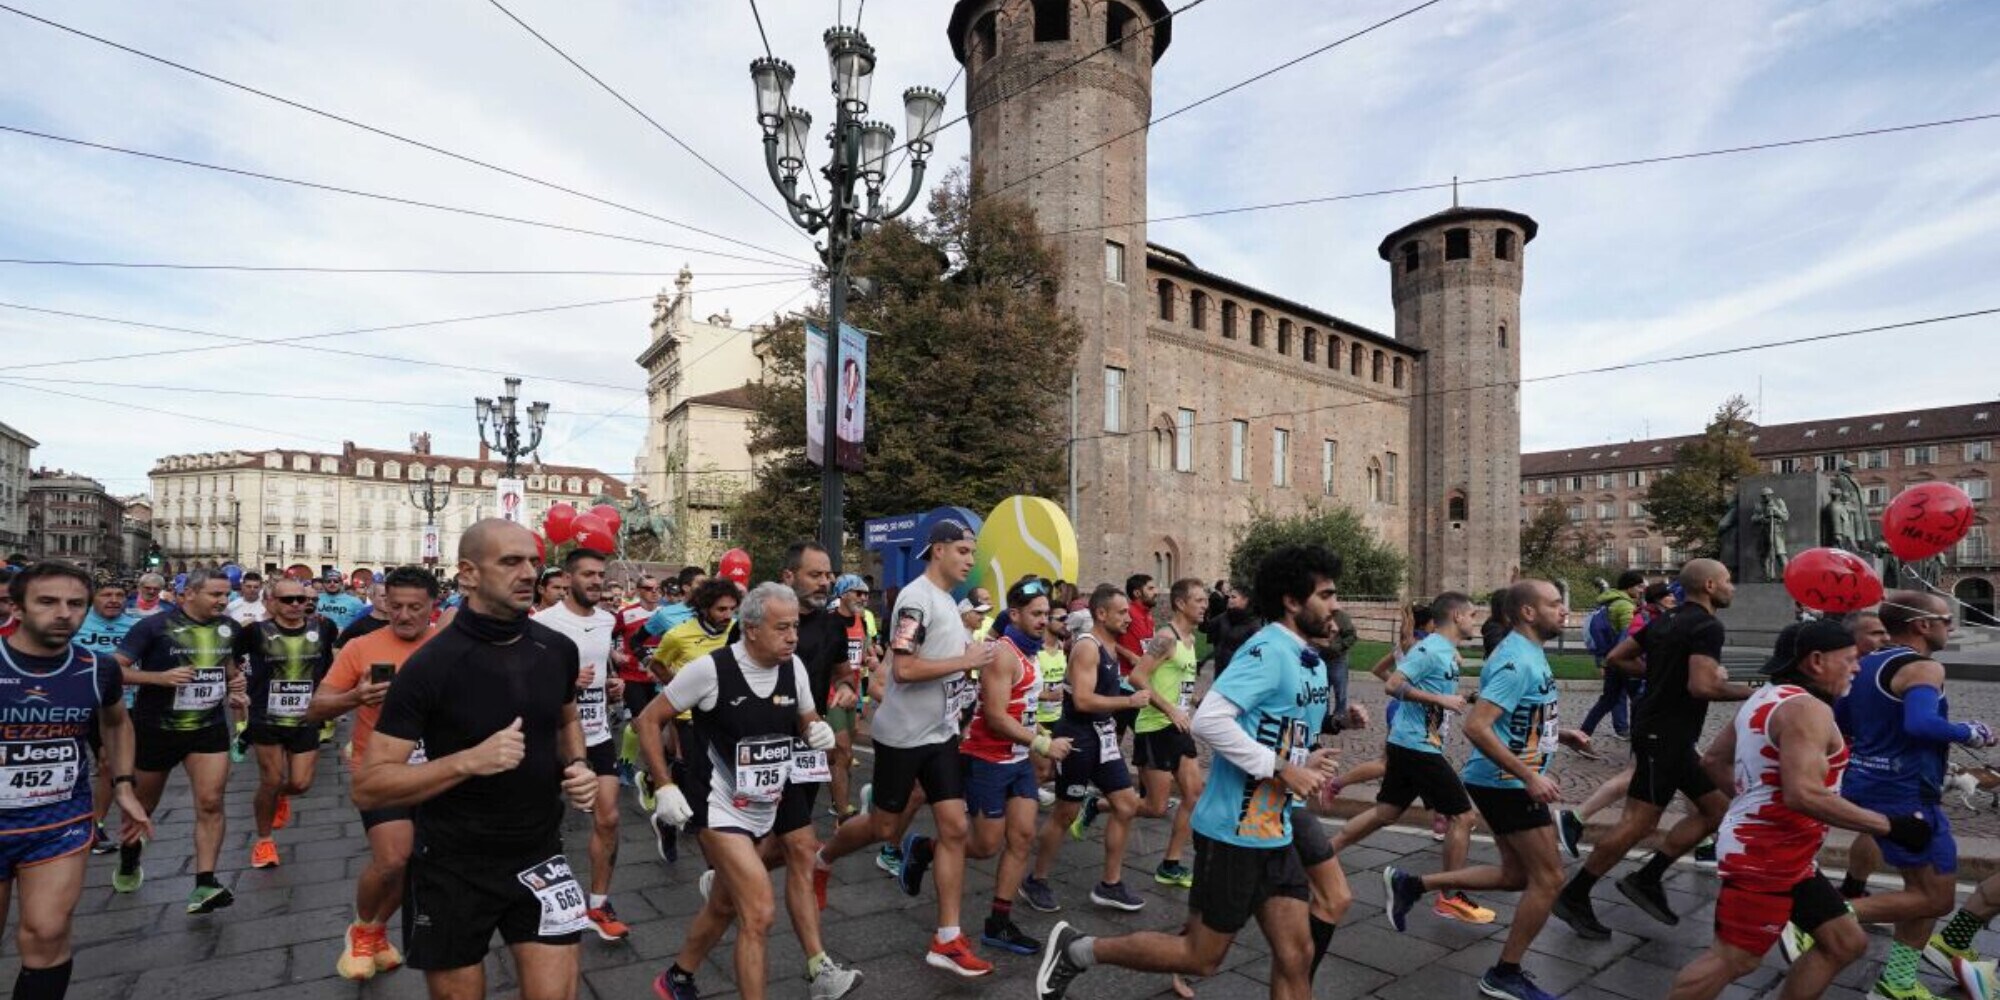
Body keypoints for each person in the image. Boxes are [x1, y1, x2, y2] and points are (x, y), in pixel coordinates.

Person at [1035, 544, 1342, 1000]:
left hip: (1274, 830)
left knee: (1296, 956)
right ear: (1292, 601)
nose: (1335, 605)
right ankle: (1080, 950)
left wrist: (1303, 761)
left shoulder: (1304, 657)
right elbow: (1211, 720)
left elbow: (1275, 730)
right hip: (1234, 834)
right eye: (1326, 595)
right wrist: (1281, 768)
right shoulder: (1268, 650)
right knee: (1201, 956)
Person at [352, 519, 598, 1000]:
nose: (529, 573)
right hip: (452, 866)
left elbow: (567, 720)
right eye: (510, 562)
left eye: (532, 561)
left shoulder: (557, 650)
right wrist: (467, 761)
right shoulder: (430, 665)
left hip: (540, 855)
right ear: (467, 573)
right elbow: (369, 785)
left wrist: (579, 766)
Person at [1666, 620, 1934, 1000]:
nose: (1858, 668)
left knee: (1844, 942)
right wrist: (1889, 826)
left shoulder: (1767, 696)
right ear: (1817, 661)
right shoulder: (1809, 710)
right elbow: (1802, 794)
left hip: (1789, 856)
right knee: (1733, 959)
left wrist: (1752, 801)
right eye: (1852, 659)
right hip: (1766, 858)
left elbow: (1713, 761)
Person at [1781, 591, 1995, 1000]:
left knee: (1919, 894)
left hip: (1869, 783)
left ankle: (1897, 982)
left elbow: (1841, 721)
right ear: (1922, 625)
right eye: (1946, 620)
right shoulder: (1923, 669)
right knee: (1936, 895)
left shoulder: (1866, 664)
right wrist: (1972, 732)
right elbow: (1920, 724)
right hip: (1906, 794)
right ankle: (1820, 916)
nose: (1951, 626)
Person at [638, 582, 841, 1000]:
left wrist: (817, 729)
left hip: (769, 797)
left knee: (725, 905)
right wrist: (664, 785)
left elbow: (807, 716)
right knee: (759, 913)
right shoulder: (710, 670)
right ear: (751, 629)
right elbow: (647, 720)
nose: (792, 637)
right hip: (718, 803)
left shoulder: (794, 667)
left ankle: (676, 977)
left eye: (795, 628)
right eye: (781, 628)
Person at [812, 519, 997, 976]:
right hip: (903, 736)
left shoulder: (948, 602)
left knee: (953, 827)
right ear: (938, 550)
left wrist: (966, 678)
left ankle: (947, 939)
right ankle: (823, 857)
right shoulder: (914, 599)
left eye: (973, 553)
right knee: (881, 827)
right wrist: (966, 660)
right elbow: (906, 671)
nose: (971, 560)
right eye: (964, 551)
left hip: (940, 734)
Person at [1384, 579, 1568, 1000]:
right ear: (1527, 612)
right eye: (1555, 604)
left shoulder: (1527, 654)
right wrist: (1529, 775)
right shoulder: (1515, 661)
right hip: (1505, 782)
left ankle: (1413, 885)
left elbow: (1515, 714)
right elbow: (1476, 725)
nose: (1564, 611)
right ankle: (1505, 972)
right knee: (1549, 877)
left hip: (1505, 779)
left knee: (1516, 874)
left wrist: (1562, 732)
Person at [1554, 558, 1747, 939]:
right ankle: (1575, 895)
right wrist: (1761, 693)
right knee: (1638, 823)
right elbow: (1703, 687)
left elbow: (1616, 658)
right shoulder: (1707, 626)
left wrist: (1659, 672)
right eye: (1727, 579)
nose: (1733, 587)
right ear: (1709, 585)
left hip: (1663, 731)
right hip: (1666, 734)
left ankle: (1649, 876)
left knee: (1715, 810)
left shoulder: (1665, 620)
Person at [2, 564, 153, 1000]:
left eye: (75, 604)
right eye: (47, 602)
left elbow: (117, 723)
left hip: (58, 822)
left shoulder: (98, 669)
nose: (64, 613)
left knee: (47, 933)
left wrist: (123, 785)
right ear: (17, 607)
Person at [1328, 592, 1493, 923]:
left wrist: (1456, 698)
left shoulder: (1445, 651)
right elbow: (1393, 683)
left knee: (1385, 813)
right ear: (1457, 616)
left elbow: (1430, 691)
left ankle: (1320, 854)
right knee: (1462, 817)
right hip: (1418, 746)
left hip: (1410, 743)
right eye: (1472, 615)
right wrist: (1439, 699)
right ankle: (1448, 897)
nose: (1476, 621)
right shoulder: (1430, 649)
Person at [308, 565, 439, 981]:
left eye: (414, 608)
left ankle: (378, 931)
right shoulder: (361, 647)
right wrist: (355, 696)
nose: (403, 615)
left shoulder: (447, 648)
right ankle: (362, 930)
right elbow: (316, 707)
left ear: (432, 606)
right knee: (392, 859)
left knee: (414, 866)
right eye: (394, 605)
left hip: (438, 773)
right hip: (379, 771)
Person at [113, 568, 245, 912]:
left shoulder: (229, 628)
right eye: (215, 594)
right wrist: (157, 677)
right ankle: (129, 856)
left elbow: (228, 667)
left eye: (225, 594)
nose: (223, 600)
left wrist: (236, 687)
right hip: (157, 729)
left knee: (211, 802)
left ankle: (205, 883)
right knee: (144, 808)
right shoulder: (153, 627)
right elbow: (114, 669)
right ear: (189, 594)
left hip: (208, 728)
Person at [961, 577, 1071, 956]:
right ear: (1015, 614)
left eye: (1046, 613)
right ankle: (925, 849)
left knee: (1022, 837)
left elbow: (1020, 709)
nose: (1044, 620)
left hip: (1018, 760)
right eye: (1036, 614)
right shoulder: (1003, 654)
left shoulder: (1032, 652)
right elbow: (994, 716)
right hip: (988, 758)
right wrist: (1043, 742)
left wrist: (1038, 732)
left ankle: (998, 923)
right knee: (984, 846)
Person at [530, 547, 631, 942]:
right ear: (568, 579)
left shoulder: (607, 620)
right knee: (542, 824)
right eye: (587, 574)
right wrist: (568, 685)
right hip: (551, 736)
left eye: (599, 574)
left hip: (598, 733)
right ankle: (542, 901)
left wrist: (613, 683)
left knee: (609, 818)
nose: (595, 581)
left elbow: (602, 665)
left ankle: (598, 903)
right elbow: (528, 682)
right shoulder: (543, 622)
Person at [1035, 585, 1153, 912]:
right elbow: (1084, 700)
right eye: (1121, 613)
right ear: (1101, 614)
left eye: (1128, 612)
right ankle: (1037, 878)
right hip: (1077, 739)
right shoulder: (1088, 648)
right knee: (1065, 812)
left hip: (1103, 738)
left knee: (1126, 805)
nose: (1128, 618)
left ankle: (1110, 884)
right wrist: (1128, 700)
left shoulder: (1112, 648)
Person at [236, 575, 334, 869]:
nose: (295, 605)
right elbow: (227, 657)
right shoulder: (254, 631)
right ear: (271, 603)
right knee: (271, 779)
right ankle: (264, 842)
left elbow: (330, 664)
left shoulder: (323, 628)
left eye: (301, 599)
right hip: (266, 716)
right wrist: (235, 685)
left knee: (301, 783)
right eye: (287, 600)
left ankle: (278, 797)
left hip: (306, 716)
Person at [641, 578, 741, 862]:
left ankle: (673, 819)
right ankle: (711, 860)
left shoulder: (736, 632)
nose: (727, 615)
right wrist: (677, 691)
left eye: (732, 609)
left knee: (717, 781)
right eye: (721, 609)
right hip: (689, 717)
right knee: (699, 781)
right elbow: (657, 663)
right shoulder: (678, 635)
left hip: (725, 714)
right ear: (704, 607)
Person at [1129, 577, 1208, 889]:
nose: (1205, 606)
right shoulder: (1166, 638)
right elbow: (1137, 677)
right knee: (1155, 807)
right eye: (1199, 600)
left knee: (1194, 794)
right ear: (1180, 603)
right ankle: (1100, 804)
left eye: (1205, 600)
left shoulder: (1190, 641)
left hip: (1178, 727)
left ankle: (1171, 864)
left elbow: (1179, 685)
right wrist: (1169, 708)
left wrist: (1194, 702)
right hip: (1154, 727)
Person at [73, 580, 143, 852]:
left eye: (119, 595)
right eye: (106, 594)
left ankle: (96, 825)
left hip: (125, 704)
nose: (113, 599)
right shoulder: (77, 623)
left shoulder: (136, 626)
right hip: (82, 704)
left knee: (108, 763)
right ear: (93, 598)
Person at [1834, 609, 1892, 900]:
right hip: (1836, 757)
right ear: (1851, 637)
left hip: (1863, 758)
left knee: (1873, 823)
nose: (1886, 638)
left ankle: (1852, 889)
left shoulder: (1884, 668)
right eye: (1876, 633)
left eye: (1885, 632)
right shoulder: (1836, 670)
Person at [826, 574, 877, 818]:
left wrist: (872, 657)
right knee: (843, 750)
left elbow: (864, 653)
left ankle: (837, 797)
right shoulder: (828, 621)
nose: (864, 598)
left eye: (866, 594)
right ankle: (842, 809)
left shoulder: (861, 621)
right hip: (831, 693)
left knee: (841, 755)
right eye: (858, 593)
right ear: (843, 594)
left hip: (853, 691)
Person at [1578, 570, 1646, 739]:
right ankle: (1641, 735)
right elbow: (1629, 638)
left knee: (1608, 699)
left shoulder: (1608, 602)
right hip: (1624, 661)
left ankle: (1584, 732)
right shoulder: (1625, 606)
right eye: (1638, 586)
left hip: (1611, 659)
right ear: (1629, 586)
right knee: (1639, 698)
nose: (1641, 590)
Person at [614, 574, 665, 784]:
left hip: (659, 678)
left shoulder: (666, 614)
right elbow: (606, 636)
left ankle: (645, 767)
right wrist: (614, 654)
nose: (654, 592)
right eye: (648, 588)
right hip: (632, 676)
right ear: (637, 591)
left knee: (656, 725)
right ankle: (627, 766)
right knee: (640, 721)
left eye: (657, 588)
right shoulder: (626, 614)